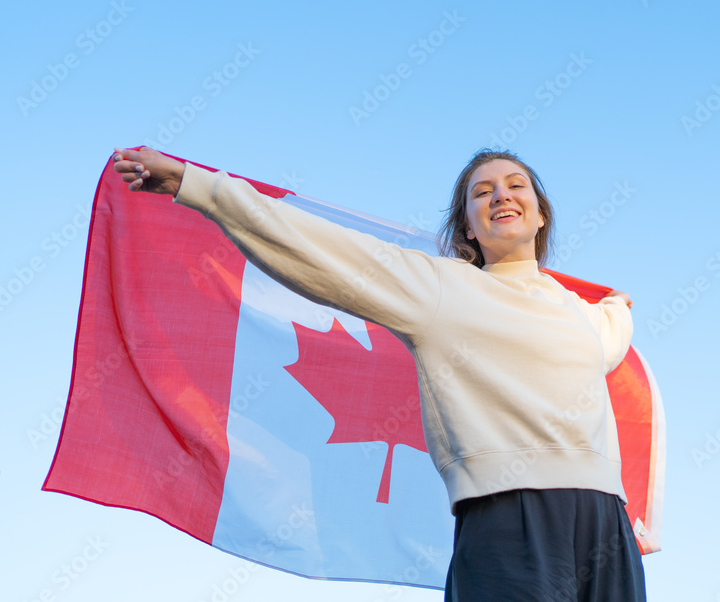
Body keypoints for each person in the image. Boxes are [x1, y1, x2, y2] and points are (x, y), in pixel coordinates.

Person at [112, 146, 647, 601]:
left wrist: (620, 307)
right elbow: (322, 248)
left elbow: (610, 339)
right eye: (482, 192)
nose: (501, 195)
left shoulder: (582, 314)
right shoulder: (441, 289)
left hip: (607, 525)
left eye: (515, 186)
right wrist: (198, 186)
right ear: (468, 224)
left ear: (540, 213)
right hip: (509, 518)